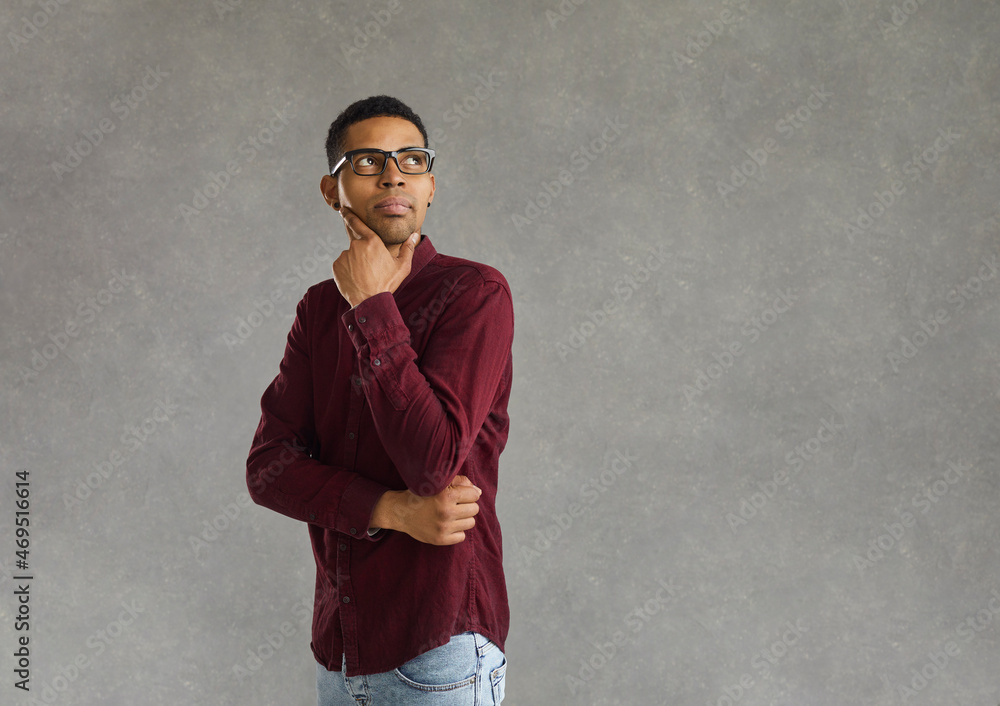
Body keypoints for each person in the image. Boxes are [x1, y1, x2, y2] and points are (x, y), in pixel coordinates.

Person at [246, 95, 511, 705]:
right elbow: (269, 470)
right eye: (367, 161)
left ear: (431, 186)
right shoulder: (318, 309)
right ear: (330, 189)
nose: (393, 173)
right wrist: (388, 509)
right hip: (340, 649)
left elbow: (433, 462)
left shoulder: (475, 293)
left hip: (438, 645)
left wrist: (372, 309)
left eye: (411, 160)